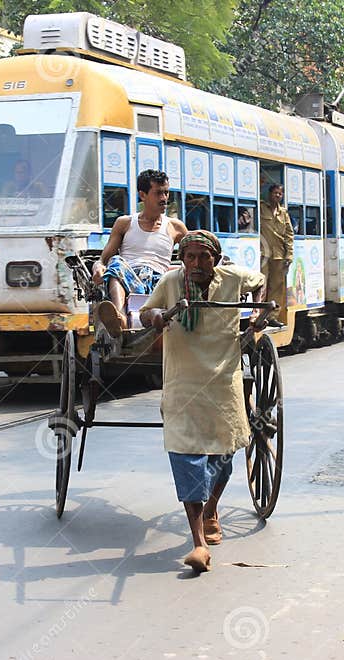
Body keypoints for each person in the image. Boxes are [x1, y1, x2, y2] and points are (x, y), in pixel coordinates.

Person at [139, 230, 265, 573]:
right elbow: (146, 314)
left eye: (203, 257)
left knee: (223, 454)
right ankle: (199, 542)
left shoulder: (234, 277)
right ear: (181, 259)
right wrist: (156, 317)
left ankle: (211, 510)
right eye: (189, 257)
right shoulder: (170, 282)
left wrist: (256, 317)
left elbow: (261, 283)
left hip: (223, 381)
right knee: (185, 457)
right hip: (182, 383)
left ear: (216, 258)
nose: (196, 264)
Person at [91, 170, 187, 337]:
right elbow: (103, 261)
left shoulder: (175, 227)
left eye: (166, 192)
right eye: (158, 193)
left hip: (160, 283)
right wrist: (97, 269)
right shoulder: (124, 223)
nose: (164, 198)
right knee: (115, 262)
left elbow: (193, 252)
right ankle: (119, 317)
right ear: (143, 195)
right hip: (129, 280)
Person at [260, 184, 293, 315]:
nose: (277, 195)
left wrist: (289, 254)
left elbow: (289, 235)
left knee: (276, 286)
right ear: (269, 194)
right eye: (275, 193)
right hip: (263, 253)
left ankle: (272, 315)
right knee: (262, 283)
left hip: (279, 254)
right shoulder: (261, 208)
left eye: (280, 193)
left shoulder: (283, 213)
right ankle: (259, 312)